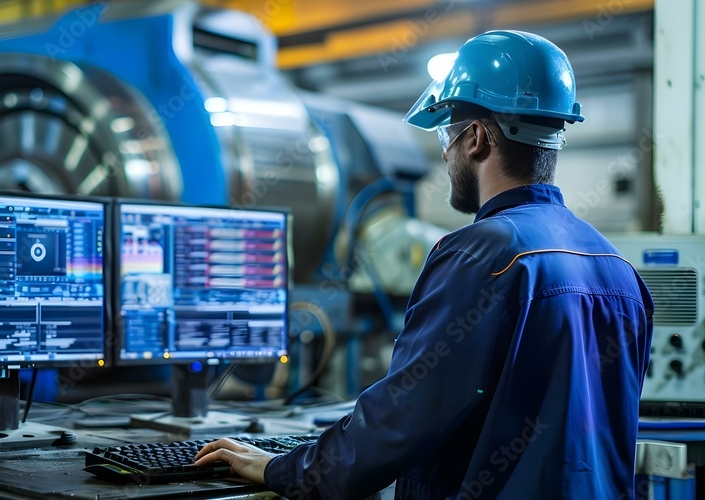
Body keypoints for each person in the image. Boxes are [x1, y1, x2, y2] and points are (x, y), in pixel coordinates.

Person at [195, 30, 653, 499]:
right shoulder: (617, 268)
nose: (443, 151)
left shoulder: (481, 254)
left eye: (446, 133)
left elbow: (400, 423)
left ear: (476, 138)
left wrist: (282, 469)